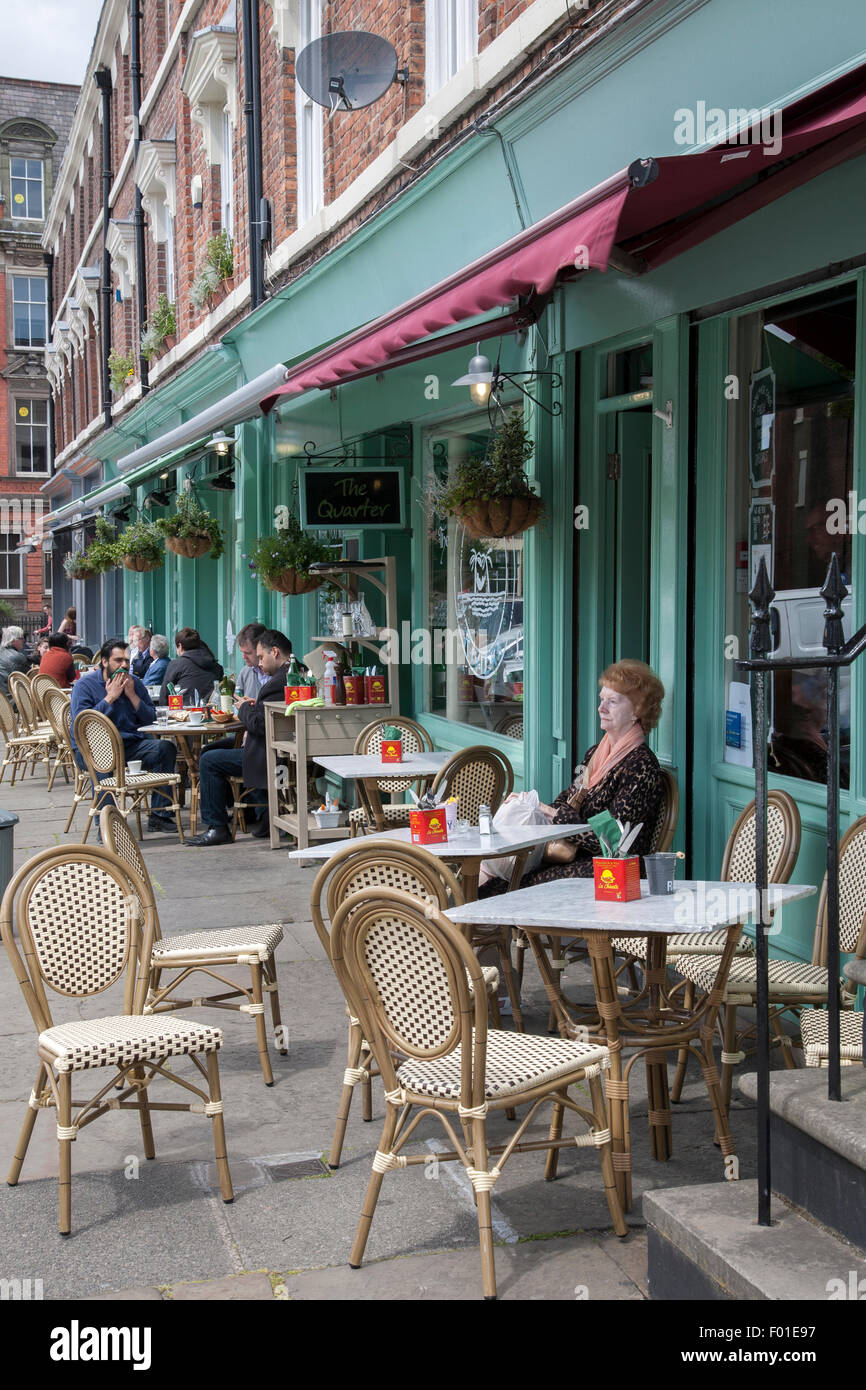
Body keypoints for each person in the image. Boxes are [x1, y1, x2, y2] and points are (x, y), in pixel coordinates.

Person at [186, 628, 294, 846]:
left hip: (270, 756)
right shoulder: (294, 674)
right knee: (210, 751)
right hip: (280, 748)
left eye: (261, 656)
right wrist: (255, 706)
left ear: (274, 652)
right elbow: (270, 717)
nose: (260, 662)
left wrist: (244, 707)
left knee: (209, 760)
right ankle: (247, 813)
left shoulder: (279, 681)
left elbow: (259, 725)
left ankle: (217, 827)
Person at [70, 636, 178, 833]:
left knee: (165, 748)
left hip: (129, 745)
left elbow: (150, 719)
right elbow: (82, 725)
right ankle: (107, 826)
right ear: (104, 662)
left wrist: (132, 696)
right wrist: (110, 697)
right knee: (102, 762)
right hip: (92, 749)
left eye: (127, 660)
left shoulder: (134, 683)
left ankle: (159, 814)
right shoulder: (84, 686)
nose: (124, 665)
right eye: (118, 660)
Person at [160, 627, 223, 703]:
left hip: (185, 709)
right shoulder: (215, 665)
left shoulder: (176, 664)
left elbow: (164, 695)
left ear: (180, 646)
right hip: (211, 709)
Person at [235, 621, 268, 698]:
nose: (243, 657)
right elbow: (236, 700)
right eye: (242, 652)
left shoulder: (281, 674)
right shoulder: (245, 672)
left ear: (261, 649)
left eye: (248, 653)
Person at [0, 626, 31, 697]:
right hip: (14, 698)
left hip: (3, 698)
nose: (23, 640)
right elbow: (30, 677)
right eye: (21, 638)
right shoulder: (18, 657)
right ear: (13, 639)